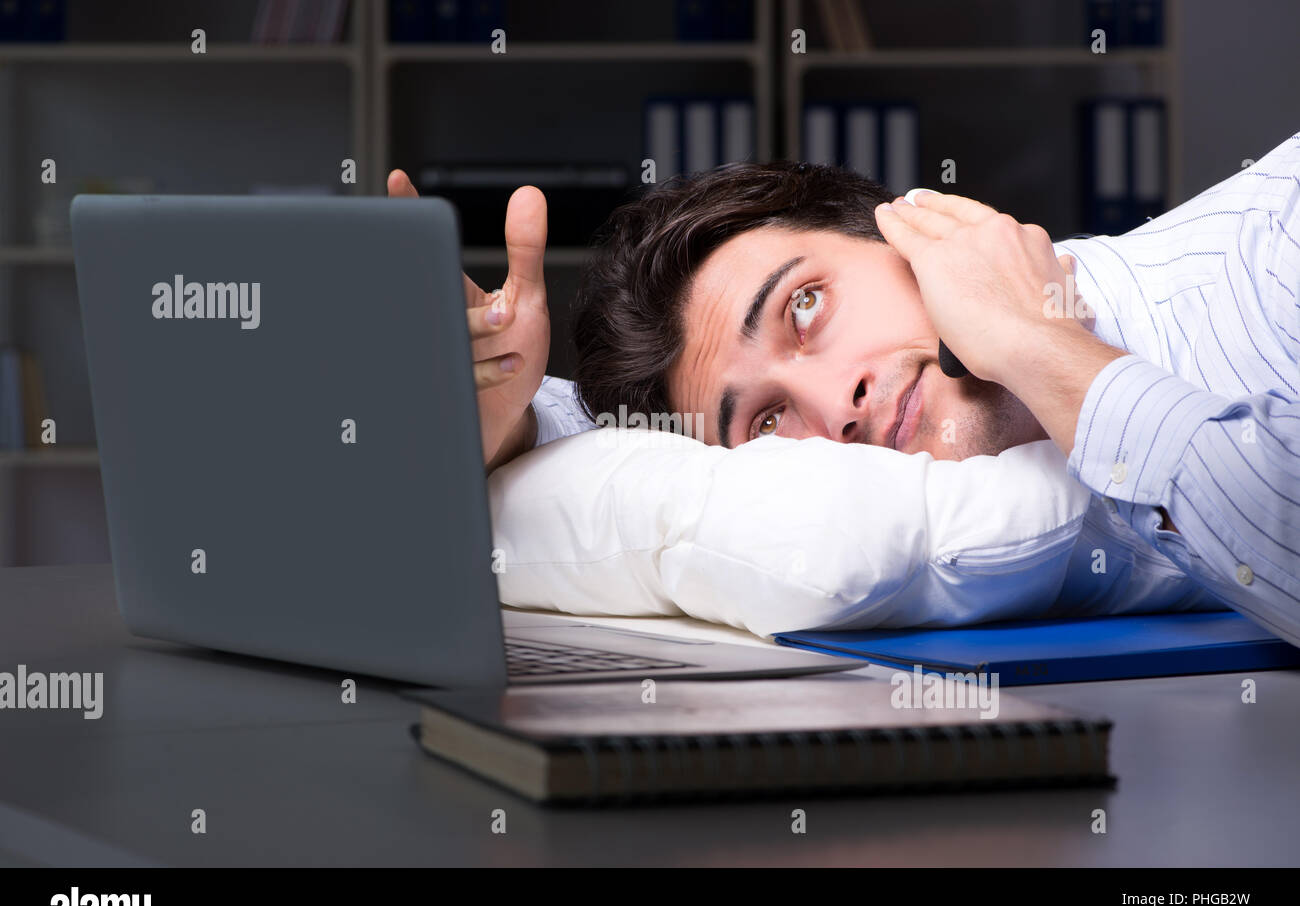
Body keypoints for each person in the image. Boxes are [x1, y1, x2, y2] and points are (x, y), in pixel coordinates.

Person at [385, 130, 1300, 644]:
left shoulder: (1276, 249)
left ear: (907, 229)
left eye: (806, 306)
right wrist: (498, 426)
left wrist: (1036, 343)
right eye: (769, 418)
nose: (837, 404)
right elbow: (602, 446)